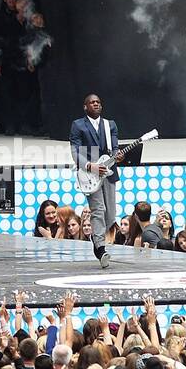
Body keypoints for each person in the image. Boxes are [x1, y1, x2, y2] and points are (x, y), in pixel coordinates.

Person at [69, 93, 119, 268]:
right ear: (85, 107)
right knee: (98, 209)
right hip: (90, 174)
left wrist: (117, 157)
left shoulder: (109, 125)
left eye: (98, 101)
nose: (96, 104)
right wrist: (90, 166)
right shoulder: (78, 125)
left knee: (110, 214)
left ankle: (97, 239)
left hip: (108, 172)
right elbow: (75, 151)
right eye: (92, 102)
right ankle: (100, 248)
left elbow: (114, 149)